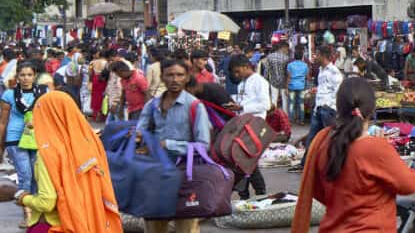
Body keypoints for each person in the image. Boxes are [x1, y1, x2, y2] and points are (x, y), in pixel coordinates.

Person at [291, 76, 415, 232]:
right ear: (372, 109)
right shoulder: (376, 148)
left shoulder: (323, 142)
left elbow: (318, 190)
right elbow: (409, 185)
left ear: (339, 107)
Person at [0, 90, 123, 232]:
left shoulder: (48, 152)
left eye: (38, 113)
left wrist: (20, 196)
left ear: (47, 117)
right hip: (90, 223)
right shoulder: (92, 144)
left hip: (56, 225)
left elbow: (46, 202)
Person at [136, 59, 213, 233]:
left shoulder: (195, 106)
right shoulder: (152, 105)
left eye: (179, 75)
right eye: (170, 75)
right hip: (155, 174)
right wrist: (138, 138)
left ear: (187, 78)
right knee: (154, 225)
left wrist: (167, 144)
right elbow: (141, 132)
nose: (175, 79)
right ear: (162, 77)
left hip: (184, 174)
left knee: (186, 225)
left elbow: (203, 145)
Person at [0, 61, 47, 218]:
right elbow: (3, 121)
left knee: (36, 176)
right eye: (22, 75)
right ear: (17, 77)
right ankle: (27, 214)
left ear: (35, 76)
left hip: (37, 137)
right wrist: (1, 144)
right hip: (15, 138)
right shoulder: (9, 94)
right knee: (25, 175)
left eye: (29, 75)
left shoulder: (43, 92)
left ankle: (35, 212)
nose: (26, 78)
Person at [291, 45, 342, 172]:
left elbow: (338, 91)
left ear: (323, 56)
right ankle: (305, 164)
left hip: (328, 110)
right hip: (319, 108)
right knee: (312, 138)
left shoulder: (334, 71)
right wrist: (317, 91)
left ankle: (335, 164)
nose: (315, 56)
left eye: (317, 54)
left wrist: (329, 105)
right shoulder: (321, 70)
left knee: (330, 139)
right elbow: (325, 87)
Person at [230, 54, 272, 199]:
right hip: (243, 125)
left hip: (256, 126)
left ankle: (259, 193)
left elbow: (266, 105)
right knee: (242, 162)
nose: (237, 75)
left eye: (238, 71)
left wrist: (241, 107)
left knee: (248, 162)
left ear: (246, 66)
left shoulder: (260, 81)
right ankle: (246, 194)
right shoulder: (242, 83)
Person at [261, 41, 291, 110]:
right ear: (283, 48)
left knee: (274, 99)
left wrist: (265, 81)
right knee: (285, 100)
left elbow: (266, 70)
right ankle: (284, 114)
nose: (287, 51)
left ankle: (274, 114)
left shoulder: (269, 57)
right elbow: (287, 72)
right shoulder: (286, 58)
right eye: (287, 49)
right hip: (283, 82)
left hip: (273, 81)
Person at [287, 50, 310, 125]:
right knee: (301, 104)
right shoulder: (305, 65)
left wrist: (286, 87)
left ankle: (290, 121)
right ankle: (301, 120)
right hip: (301, 86)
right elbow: (307, 77)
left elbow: (289, 77)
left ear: (294, 57)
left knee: (291, 104)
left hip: (291, 86)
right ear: (302, 57)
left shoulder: (290, 65)